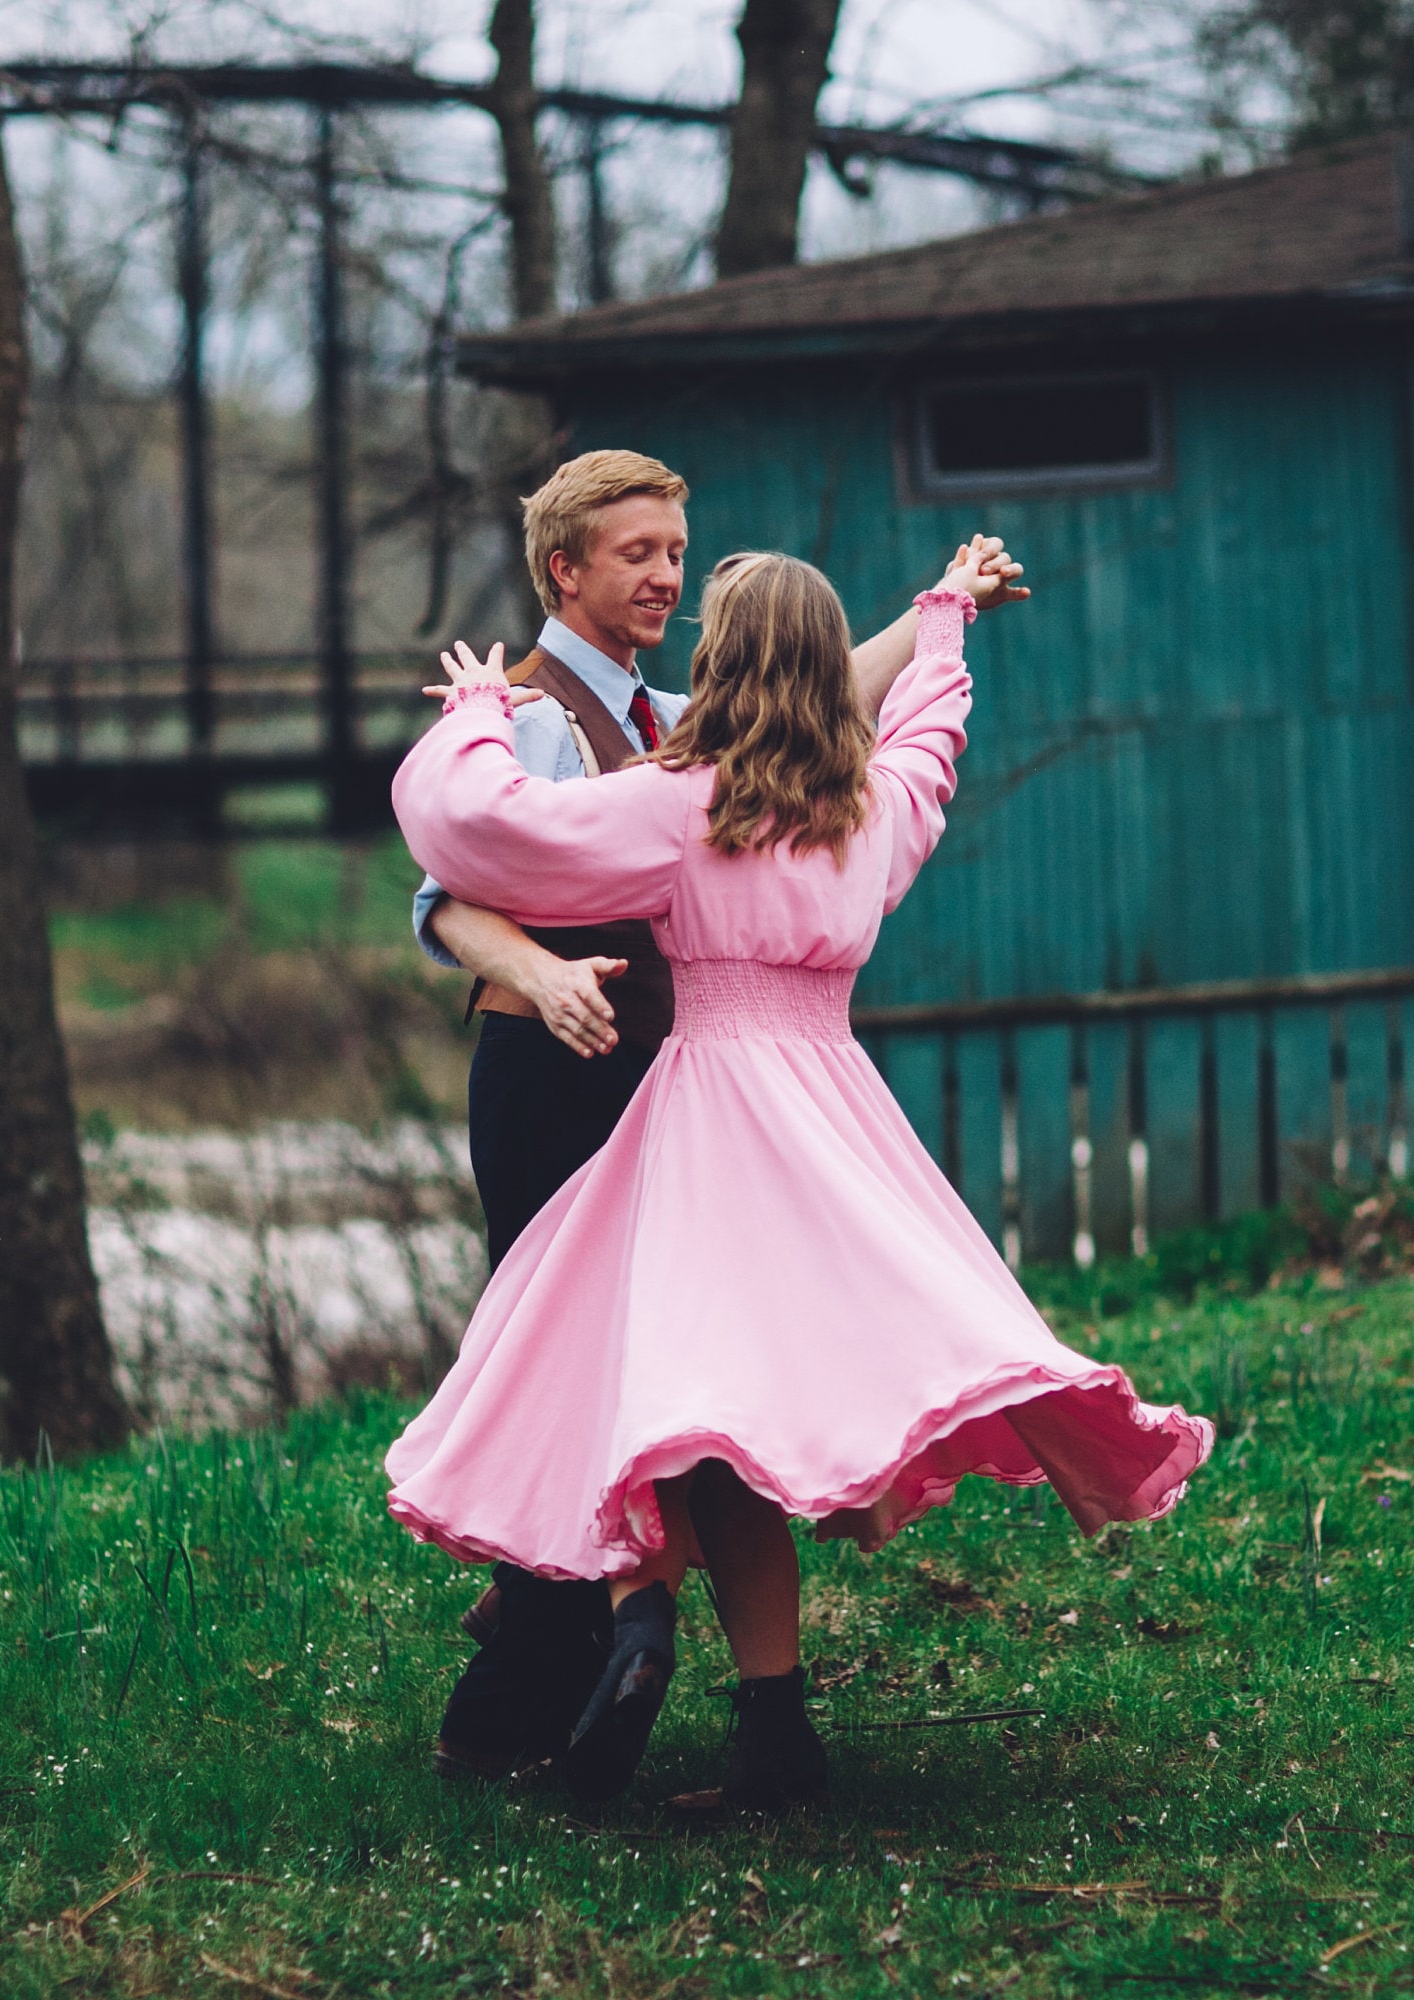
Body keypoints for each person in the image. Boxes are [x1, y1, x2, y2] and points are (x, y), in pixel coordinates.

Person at [386, 544, 1213, 1809]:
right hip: (830, 1119)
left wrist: (479, 711)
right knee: (747, 1408)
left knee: (635, 1371)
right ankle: (775, 1731)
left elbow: (494, 828)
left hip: (706, 1114)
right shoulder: (867, 809)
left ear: (718, 663)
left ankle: (640, 1617)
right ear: (831, 672)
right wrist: (944, 623)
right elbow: (931, 741)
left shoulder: (679, 803)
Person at [412, 449, 1027, 1783]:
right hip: (575, 1076)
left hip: (680, 1090)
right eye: (638, 553)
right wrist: (539, 971)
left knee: (644, 1371)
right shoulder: (548, 715)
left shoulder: (684, 750)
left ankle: (612, 1627)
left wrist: (936, 609)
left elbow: (809, 691)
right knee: (605, 1365)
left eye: (677, 556)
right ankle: (614, 1653)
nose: (664, 576)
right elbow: (450, 888)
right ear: (563, 569)